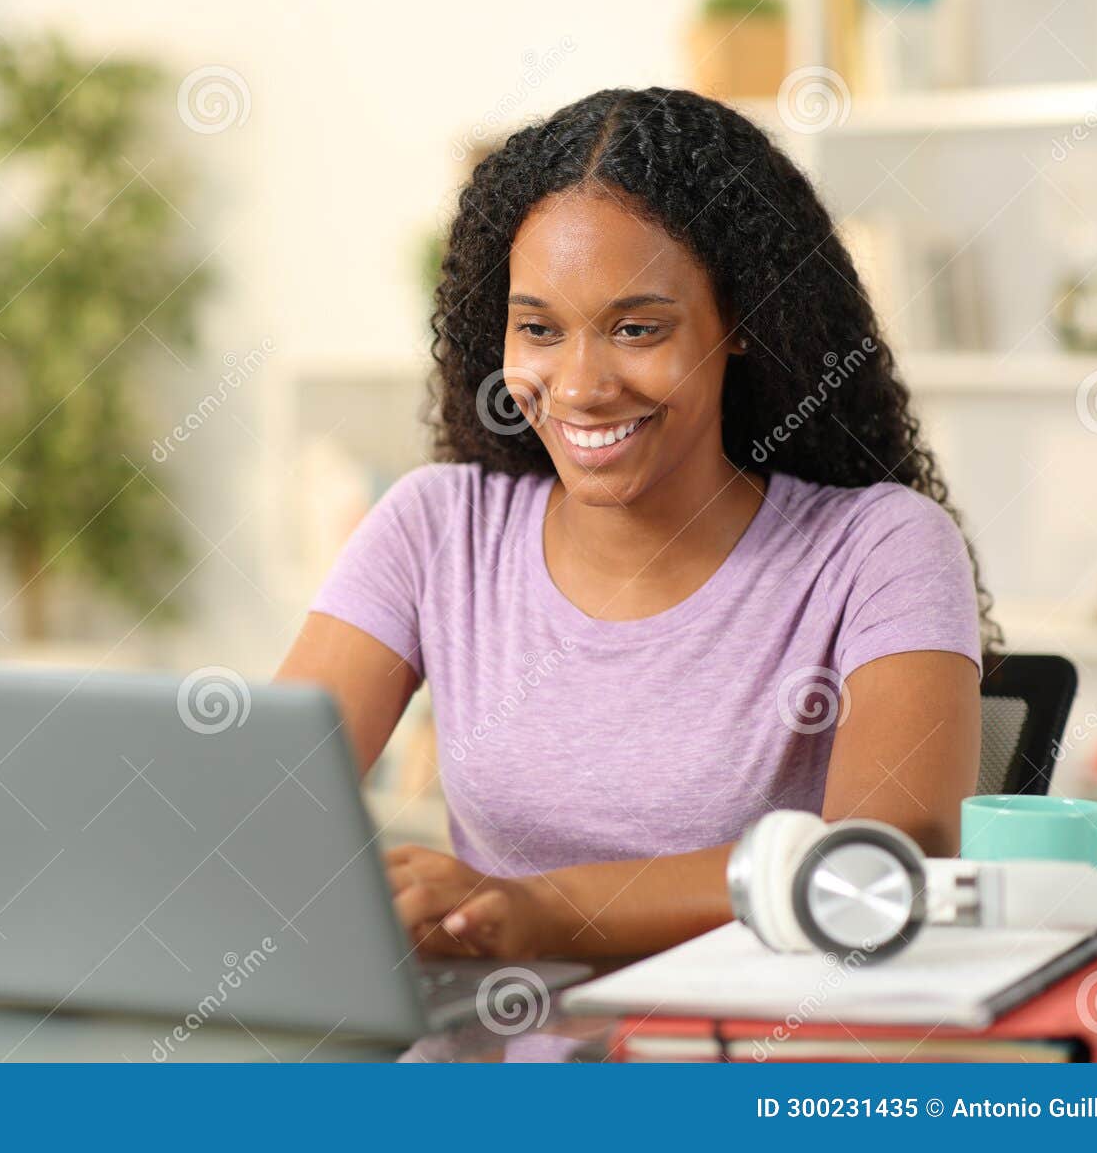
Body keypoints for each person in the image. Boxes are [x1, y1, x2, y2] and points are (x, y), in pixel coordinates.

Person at [277, 88, 991, 961]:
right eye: (538, 327)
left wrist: (542, 911)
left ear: (740, 322)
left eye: (637, 328)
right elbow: (260, 812)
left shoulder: (878, 548)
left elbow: (879, 861)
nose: (579, 386)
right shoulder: (439, 526)